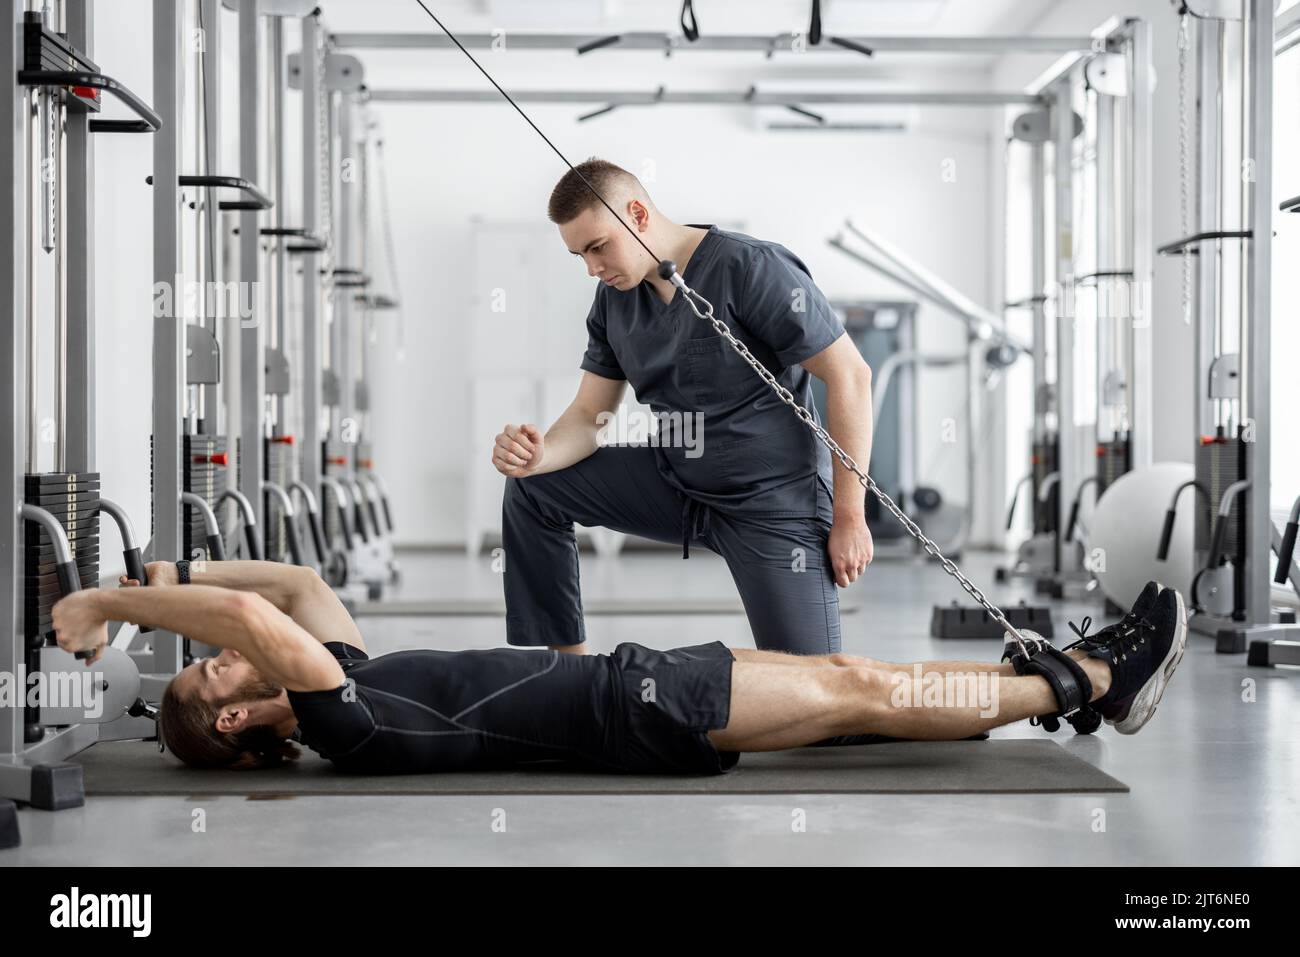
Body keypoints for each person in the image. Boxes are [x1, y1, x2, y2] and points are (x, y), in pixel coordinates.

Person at [50, 561, 1187, 774]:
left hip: (639, 684)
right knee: (858, 688)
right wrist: (105, 601)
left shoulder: (342, 671)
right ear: (251, 720)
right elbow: (261, 619)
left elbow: (288, 591)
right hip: (639, 709)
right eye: (212, 676)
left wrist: (170, 566)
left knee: (860, 693)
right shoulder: (343, 724)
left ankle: (1061, 681)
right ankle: (1087, 683)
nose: (219, 657)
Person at [491, 158, 874, 656]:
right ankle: (570, 682)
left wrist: (850, 515)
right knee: (533, 487)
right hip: (679, 485)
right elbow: (590, 416)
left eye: (598, 246)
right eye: (578, 255)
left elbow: (851, 375)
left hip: (772, 502)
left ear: (638, 214)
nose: (592, 268)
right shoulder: (613, 300)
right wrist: (536, 457)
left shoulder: (752, 267)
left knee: (812, 692)